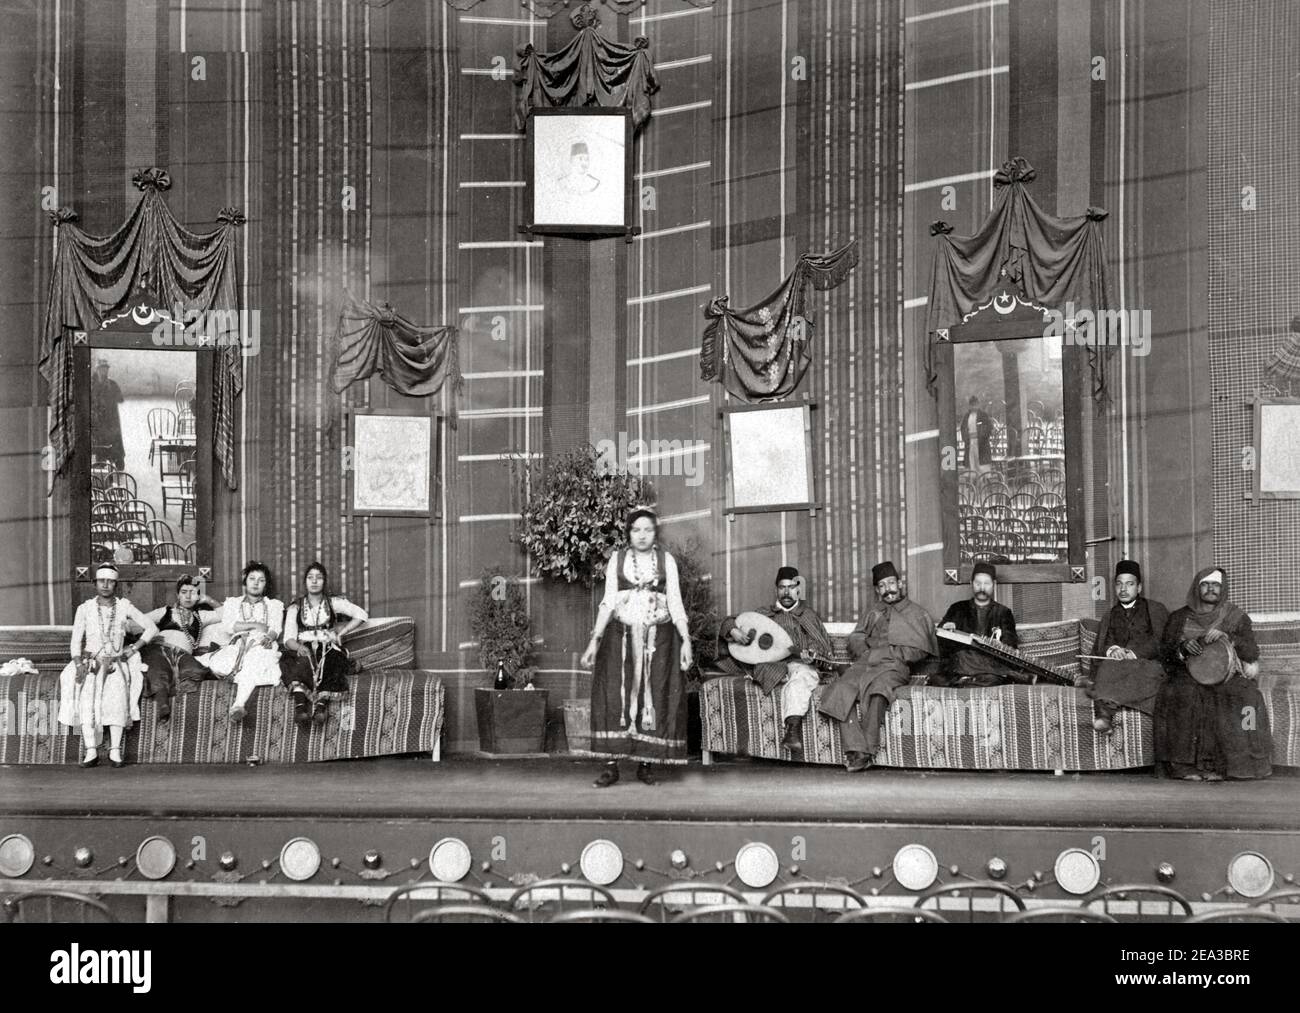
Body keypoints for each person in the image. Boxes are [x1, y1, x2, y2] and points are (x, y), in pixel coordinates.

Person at [580, 508, 692, 787]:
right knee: (613, 697)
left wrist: (686, 640)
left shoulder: (667, 562)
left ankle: (646, 765)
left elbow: (676, 602)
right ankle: (610, 767)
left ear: (655, 534)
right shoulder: (616, 561)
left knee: (653, 696)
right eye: (636, 530)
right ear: (628, 533)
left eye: (648, 530)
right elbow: (608, 602)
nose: (642, 536)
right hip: (619, 637)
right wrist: (595, 640)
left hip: (660, 639)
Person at [1153, 566, 1272, 781]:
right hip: (1187, 675)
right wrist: (1183, 649)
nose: (1211, 589)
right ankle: (1184, 767)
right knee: (1180, 693)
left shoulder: (1236, 616)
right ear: (1197, 588)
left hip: (1227, 676)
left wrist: (1229, 637)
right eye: (1205, 584)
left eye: (1216, 585)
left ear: (1223, 588)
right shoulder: (1179, 617)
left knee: (1247, 696)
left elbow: (1252, 651)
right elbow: (1165, 653)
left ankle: (1241, 766)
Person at [818, 562, 938, 772]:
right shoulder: (873, 612)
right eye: (882, 586)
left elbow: (919, 650)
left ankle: (863, 752)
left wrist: (889, 653)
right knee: (839, 690)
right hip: (865, 663)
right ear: (877, 590)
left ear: (900, 584)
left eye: (891, 583)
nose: (888, 589)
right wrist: (864, 651)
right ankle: (860, 750)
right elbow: (857, 636)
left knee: (878, 691)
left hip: (894, 666)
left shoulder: (916, 613)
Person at [713, 566, 835, 757]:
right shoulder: (764, 614)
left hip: (799, 665)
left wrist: (811, 653)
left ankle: (792, 733)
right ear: (776, 590)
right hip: (771, 666)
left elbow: (822, 647)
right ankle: (792, 730)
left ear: (798, 590)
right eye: (781, 587)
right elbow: (730, 621)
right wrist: (733, 631)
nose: (786, 592)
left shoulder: (808, 615)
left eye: (791, 587)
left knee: (801, 677)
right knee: (793, 678)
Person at [57, 564, 159, 768]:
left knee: (117, 697)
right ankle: (91, 751)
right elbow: (76, 641)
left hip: (115, 662)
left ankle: (114, 750)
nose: (105, 585)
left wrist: (133, 648)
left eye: (110, 581)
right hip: (91, 662)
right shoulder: (84, 608)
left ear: (116, 584)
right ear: (95, 583)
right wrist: (78, 664)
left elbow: (152, 627)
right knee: (87, 698)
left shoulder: (124, 606)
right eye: (101, 581)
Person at [280, 561, 369, 727]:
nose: (314, 581)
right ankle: (301, 709)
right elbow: (288, 638)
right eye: (310, 578)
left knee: (331, 660)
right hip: (304, 647)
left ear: (324, 581)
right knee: (296, 661)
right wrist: (299, 647)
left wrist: (340, 633)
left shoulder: (333, 603)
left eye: (319, 578)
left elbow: (361, 614)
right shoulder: (295, 607)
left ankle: (321, 708)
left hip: (326, 646)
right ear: (305, 581)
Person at [1085, 560, 1170, 733]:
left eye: (1129, 584)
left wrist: (1132, 653)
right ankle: (1104, 716)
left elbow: (1161, 642)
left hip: (1144, 665)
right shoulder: (1109, 615)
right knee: (1107, 666)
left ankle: (1105, 707)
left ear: (1138, 588)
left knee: (1149, 671)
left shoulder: (1155, 609)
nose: (1123, 589)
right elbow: (1104, 644)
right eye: (1119, 584)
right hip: (1117, 667)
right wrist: (1113, 650)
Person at [197, 560, 285, 722]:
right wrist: (255, 624)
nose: (256, 583)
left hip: (261, 644)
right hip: (237, 645)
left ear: (266, 585)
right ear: (245, 581)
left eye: (261, 580)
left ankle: (238, 705)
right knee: (218, 663)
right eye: (252, 579)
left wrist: (269, 637)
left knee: (254, 661)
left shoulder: (273, 605)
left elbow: (275, 628)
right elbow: (229, 626)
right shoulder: (233, 603)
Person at [138, 575, 225, 721]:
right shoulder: (165, 611)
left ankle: (177, 689)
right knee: (159, 669)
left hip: (183, 653)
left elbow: (224, 615)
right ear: (178, 595)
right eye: (184, 592)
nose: (188, 596)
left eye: (193, 592)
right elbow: (139, 620)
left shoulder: (200, 616)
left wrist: (208, 599)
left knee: (195, 669)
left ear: (198, 596)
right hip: (160, 647)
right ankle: (162, 703)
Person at [934, 562, 1019, 686]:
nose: (982, 588)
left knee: (993, 672)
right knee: (961, 657)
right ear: (971, 583)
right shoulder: (957, 608)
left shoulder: (1003, 612)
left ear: (994, 585)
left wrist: (999, 644)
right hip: (962, 662)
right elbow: (942, 641)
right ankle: (971, 680)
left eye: (986, 584)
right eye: (978, 583)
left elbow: (1011, 642)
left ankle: (967, 680)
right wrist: (946, 630)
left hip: (991, 664)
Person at [91, 358, 125, 470]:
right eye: (101, 369)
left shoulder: (112, 384)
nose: (103, 372)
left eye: (105, 369)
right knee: (100, 442)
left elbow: (120, 399)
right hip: (97, 420)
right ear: (97, 370)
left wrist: (110, 398)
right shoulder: (92, 385)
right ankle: (101, 464)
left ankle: (117, 462)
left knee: (115, 441)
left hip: (111, 420)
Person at [960, 395, 994, 473]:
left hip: (981, 444)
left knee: (982, 466)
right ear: (969, 405)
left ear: (978, 404)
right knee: (971, 464)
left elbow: (989, 427)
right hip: (970, 443)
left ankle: (983, 482)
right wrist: (966, 438)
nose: (973, 407)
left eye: (975, 404)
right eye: (972, 405)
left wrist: (981, 436)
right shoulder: (966, 416)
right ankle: (973, 482)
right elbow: (963, 428)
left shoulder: (983, 415)